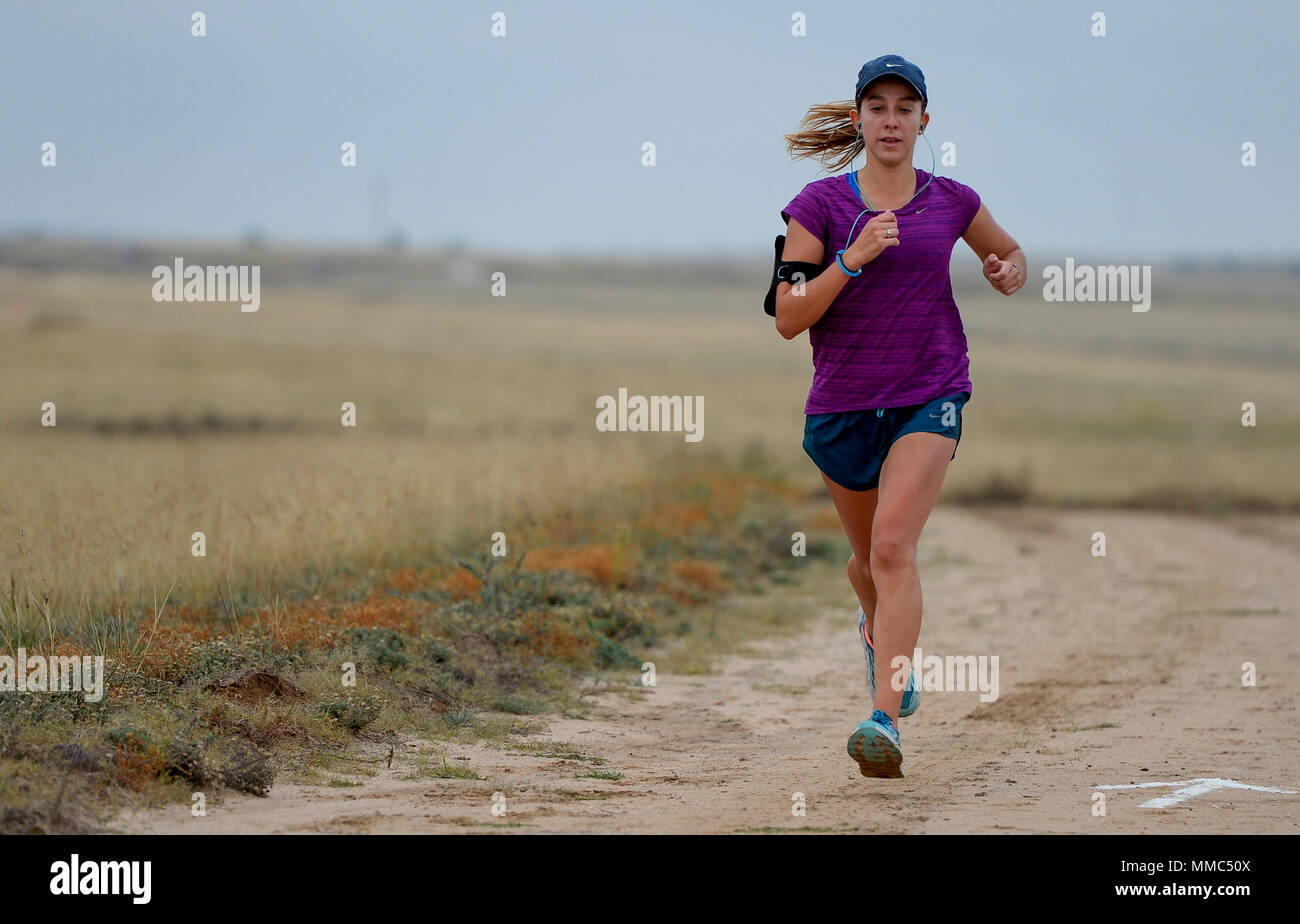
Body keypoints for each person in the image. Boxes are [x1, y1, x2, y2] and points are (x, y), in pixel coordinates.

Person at [774, 54, 1026, 778]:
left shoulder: (952, 200)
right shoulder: (818, 206)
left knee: (891, 549)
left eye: (904, 108)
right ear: (859, 119)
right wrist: (851, 259)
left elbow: (1008, 252)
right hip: (843, 405)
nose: (891, 120)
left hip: (930, 392)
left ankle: (883, 717)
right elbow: (788, 316)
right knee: (866, 564)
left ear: (923, 120)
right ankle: (877, 630)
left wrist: (1007, 270)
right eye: (878, 108)